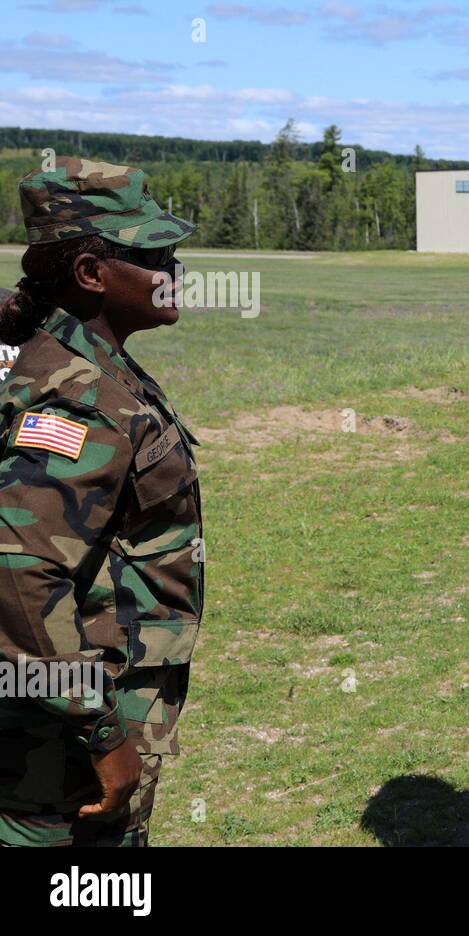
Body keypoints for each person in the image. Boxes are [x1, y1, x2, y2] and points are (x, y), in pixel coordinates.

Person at [0, 157, 204, 846]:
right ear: (91, 273)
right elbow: (21, 573)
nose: (175, 272)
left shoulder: (81, 358)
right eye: (156, 257)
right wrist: (102, 731)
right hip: (59, 752)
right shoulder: (80, 397)